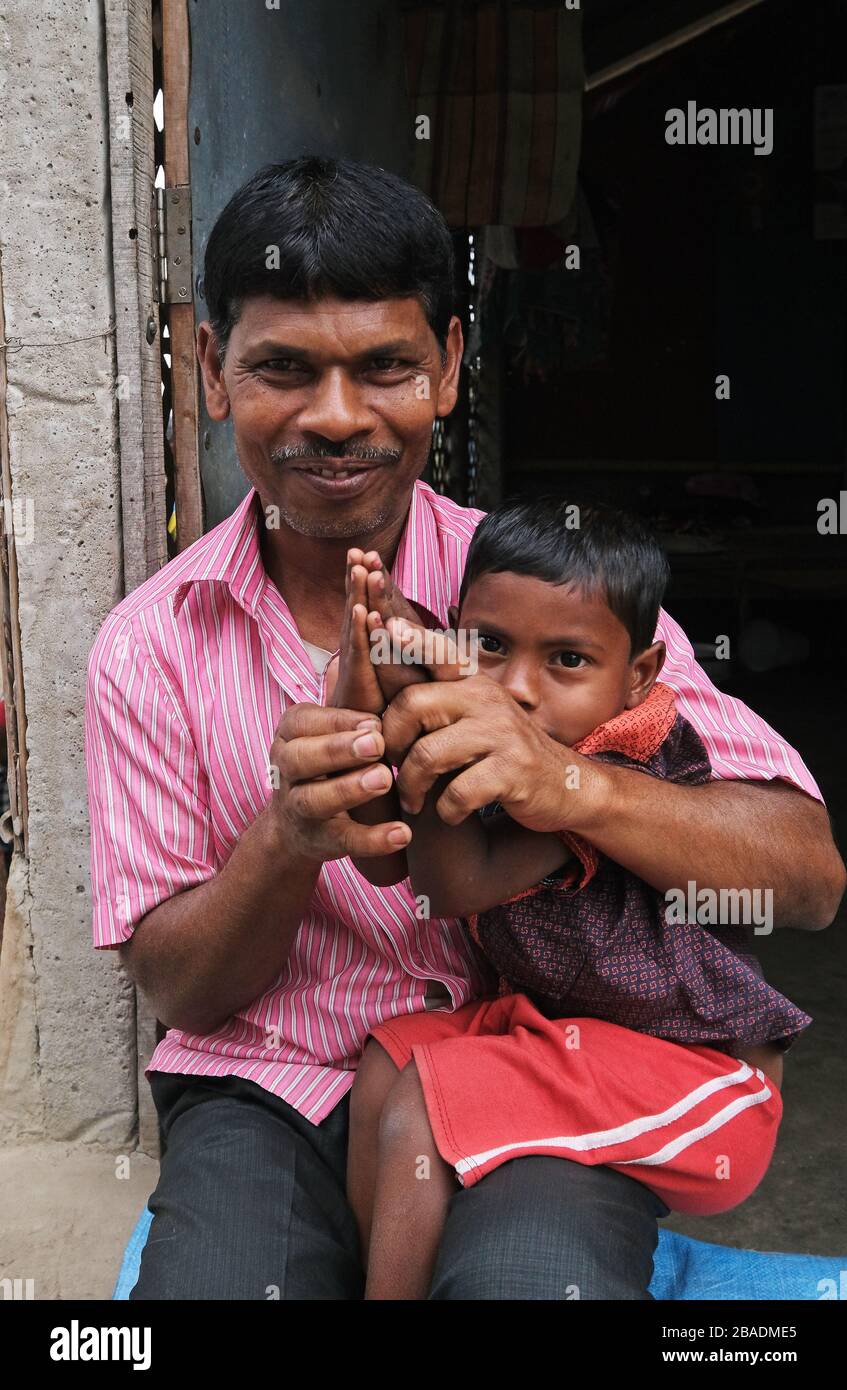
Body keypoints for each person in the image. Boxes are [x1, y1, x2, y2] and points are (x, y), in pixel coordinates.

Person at [84, 156, 845, 1300]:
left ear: (446, 367)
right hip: (267, 1082)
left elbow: (805, 881)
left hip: (537, 1061)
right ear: (211, 371)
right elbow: (184, 995)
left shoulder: (552, 604)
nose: (336, 417)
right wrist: (288, 839)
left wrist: (567, 783)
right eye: (284, 368)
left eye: (384, 365)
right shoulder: (148, 647)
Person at [337, 498, 813, 1300]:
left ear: (639, 677)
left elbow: (453, 883)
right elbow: (392, 861)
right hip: (568, 1033)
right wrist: (390, 674)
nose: (517, 689)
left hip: (700, 1072)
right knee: (390, 1062)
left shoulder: (618, 764)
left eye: (566, 661)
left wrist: (437, 692)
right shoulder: (501, 728)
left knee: (426, 1096)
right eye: (489, 644)